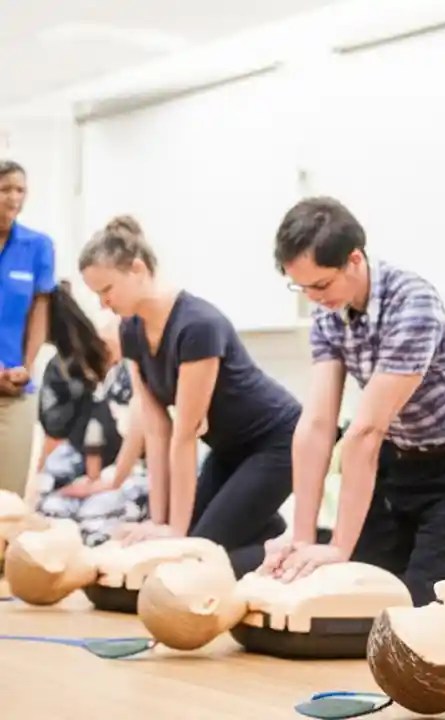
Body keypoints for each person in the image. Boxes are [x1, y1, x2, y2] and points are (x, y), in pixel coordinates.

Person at [261, 196, 445, 607]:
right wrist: (301, 538)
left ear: (354, 259)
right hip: (398, 466)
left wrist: (339, 547)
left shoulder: (413, 303)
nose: (314, 298)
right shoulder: (327, 313)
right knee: (359, 598)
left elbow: (365, 432)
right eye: (301, 288)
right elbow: (318, 424)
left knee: (425, 612)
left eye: (320, 285)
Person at [78, 216, 298, 576]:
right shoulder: (130, 330)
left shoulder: (197, 326)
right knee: (182, 545)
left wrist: (176, 536)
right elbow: (157, 430)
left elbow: (184, 434)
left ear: (136, 269)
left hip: (279, 442)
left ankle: (298, 552)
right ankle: (265, 530)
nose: (103, 303)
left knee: (193, 557)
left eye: (107, 290)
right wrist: (157, 521)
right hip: (229, 451)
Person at [34, 285, 148, 545]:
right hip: (96, 466)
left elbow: (147, 439)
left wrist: (106, 481)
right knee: (51, 509)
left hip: (132, 470)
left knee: (92, 520)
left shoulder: (137, 375)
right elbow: (80, 437)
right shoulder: (96, 379)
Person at [0, 159, 55, 499]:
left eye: (21, 190)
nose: (14, 197)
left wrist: (27, 366)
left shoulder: (38, 246)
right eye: (5, 189)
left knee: (8, 500)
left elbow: (40, 311)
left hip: (15, 390)